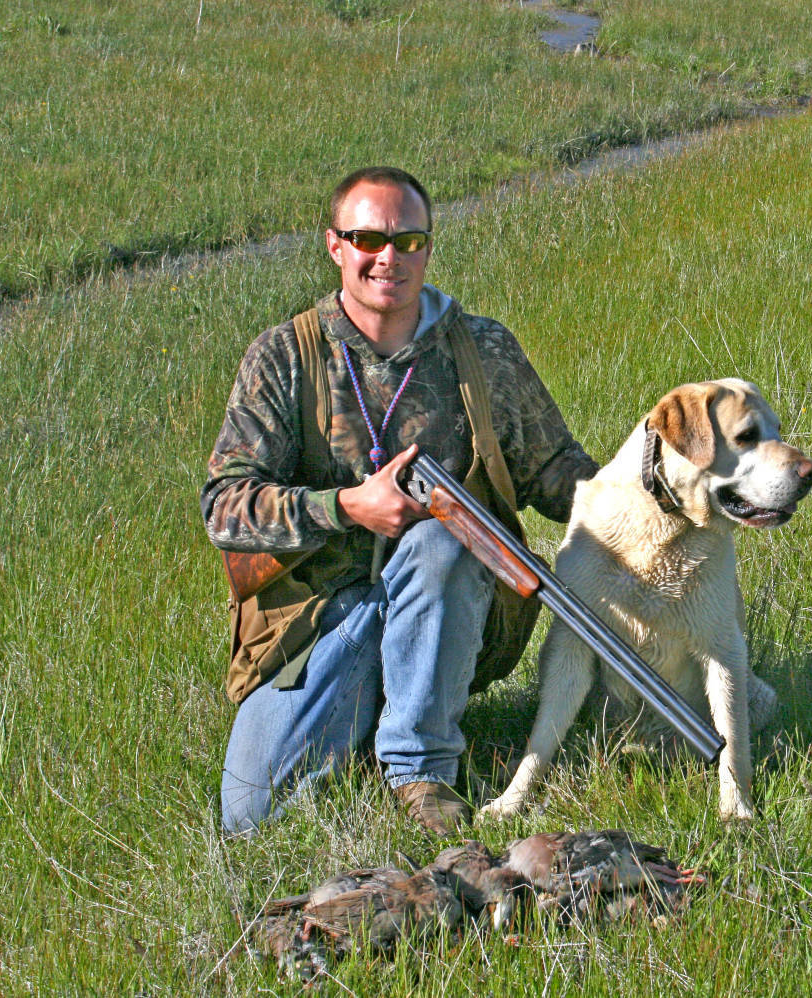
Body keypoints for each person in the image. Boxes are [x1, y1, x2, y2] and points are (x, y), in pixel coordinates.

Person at [201, 166, 597, 836]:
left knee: (446, 536)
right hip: (323, 618)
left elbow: (558, 473)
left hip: (453, 607)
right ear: (335, 246)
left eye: (409, 240)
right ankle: (372, 713)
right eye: (368, 238)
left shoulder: (483, 350)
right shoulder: (284, 357)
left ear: (428, 249)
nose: (389, 257)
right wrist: (348, 508)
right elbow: (225, 509)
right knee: (251, 814)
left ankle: (421, 773)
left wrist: (650, 495)